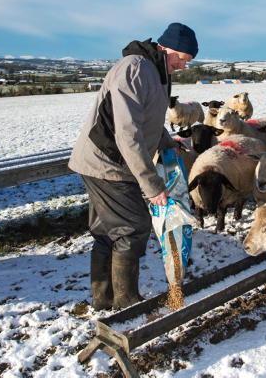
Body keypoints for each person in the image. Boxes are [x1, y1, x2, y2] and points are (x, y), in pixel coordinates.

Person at [68, 22, 198, 310]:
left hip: (114, 160)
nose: (184, 66)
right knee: (132, 227)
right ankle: (125, 302)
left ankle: (103, 299)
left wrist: (165, 141)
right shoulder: (135, 68)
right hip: (107, 162)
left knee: (107, 231)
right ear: (167, 49)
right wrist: (151, 186)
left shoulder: (160, 70)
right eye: (183, 59)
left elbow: (148, 117)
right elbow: (127, 131)